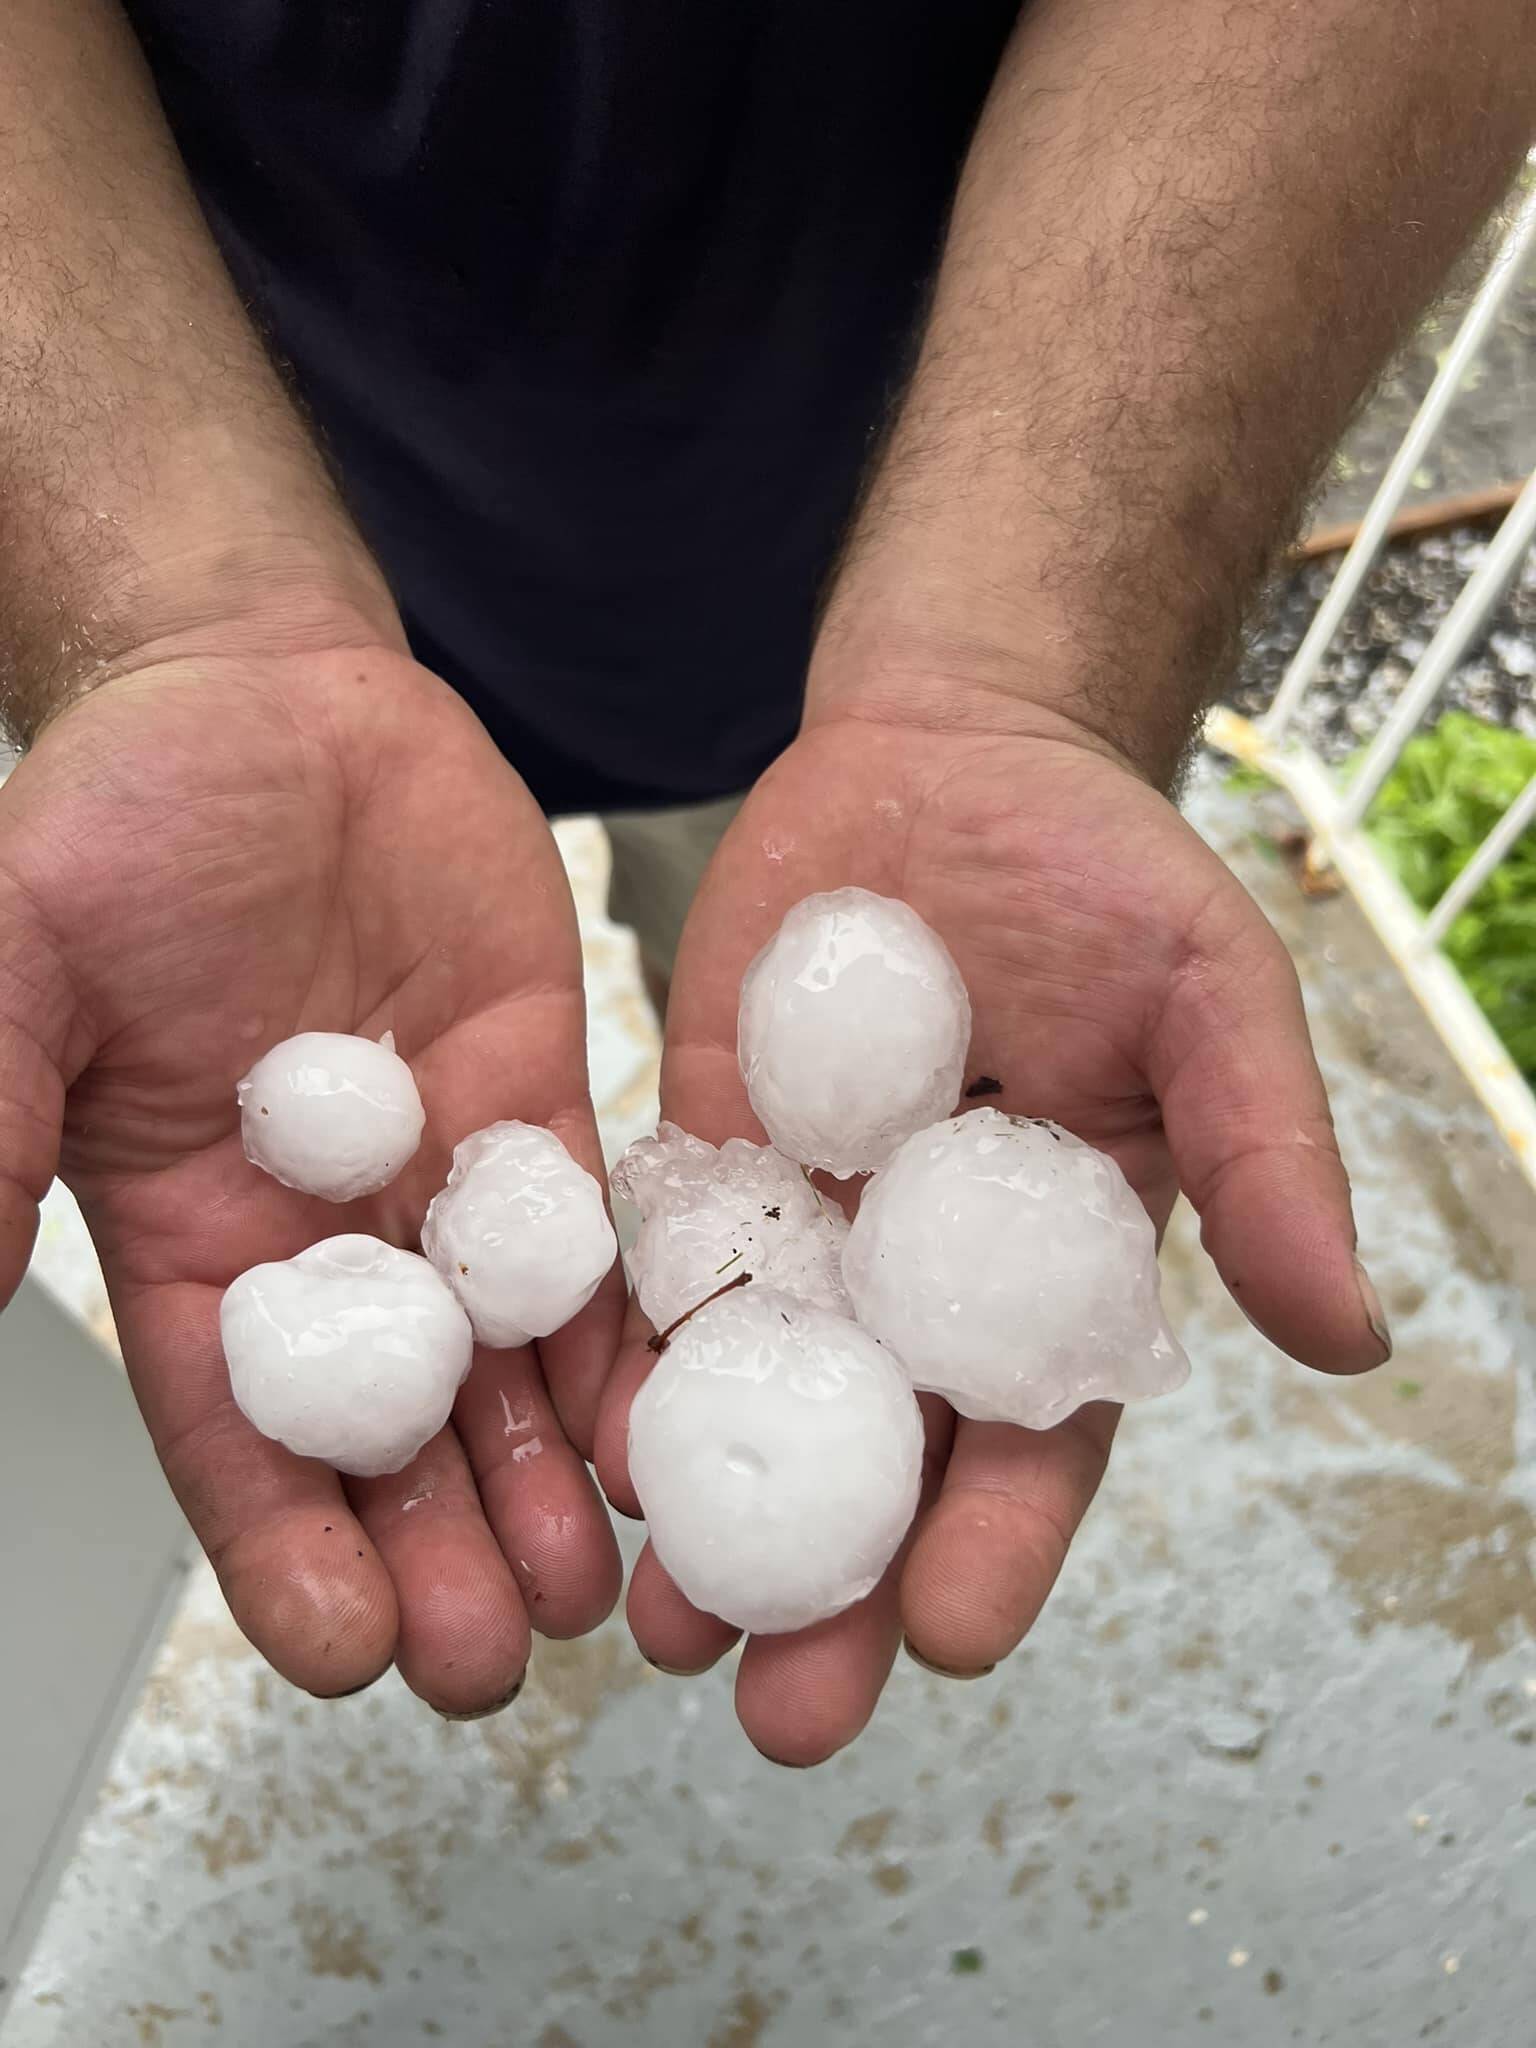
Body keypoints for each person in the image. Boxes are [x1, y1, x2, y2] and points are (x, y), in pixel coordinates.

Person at [0, 0, 1522, 1766]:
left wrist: (1025, 668)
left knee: (716, 925)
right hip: (232, 418)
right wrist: (164, 616)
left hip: (911, 538)